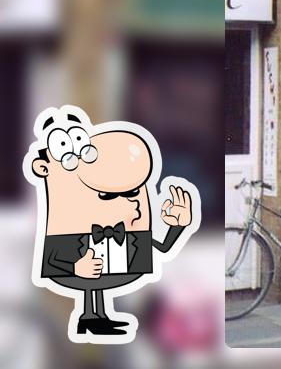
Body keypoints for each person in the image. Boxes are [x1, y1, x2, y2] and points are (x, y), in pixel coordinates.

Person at [24, 104, 199, 344]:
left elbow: (162, 248)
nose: (131, 202)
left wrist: (177, 226)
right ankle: (90, 318)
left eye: (133, 193)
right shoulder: (67, 232)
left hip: (117, 275)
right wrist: (75, 267)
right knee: (90, 283)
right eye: (107, 195)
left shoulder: (131, 232)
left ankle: (96, 317)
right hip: (74, 282)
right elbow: (53, 260)